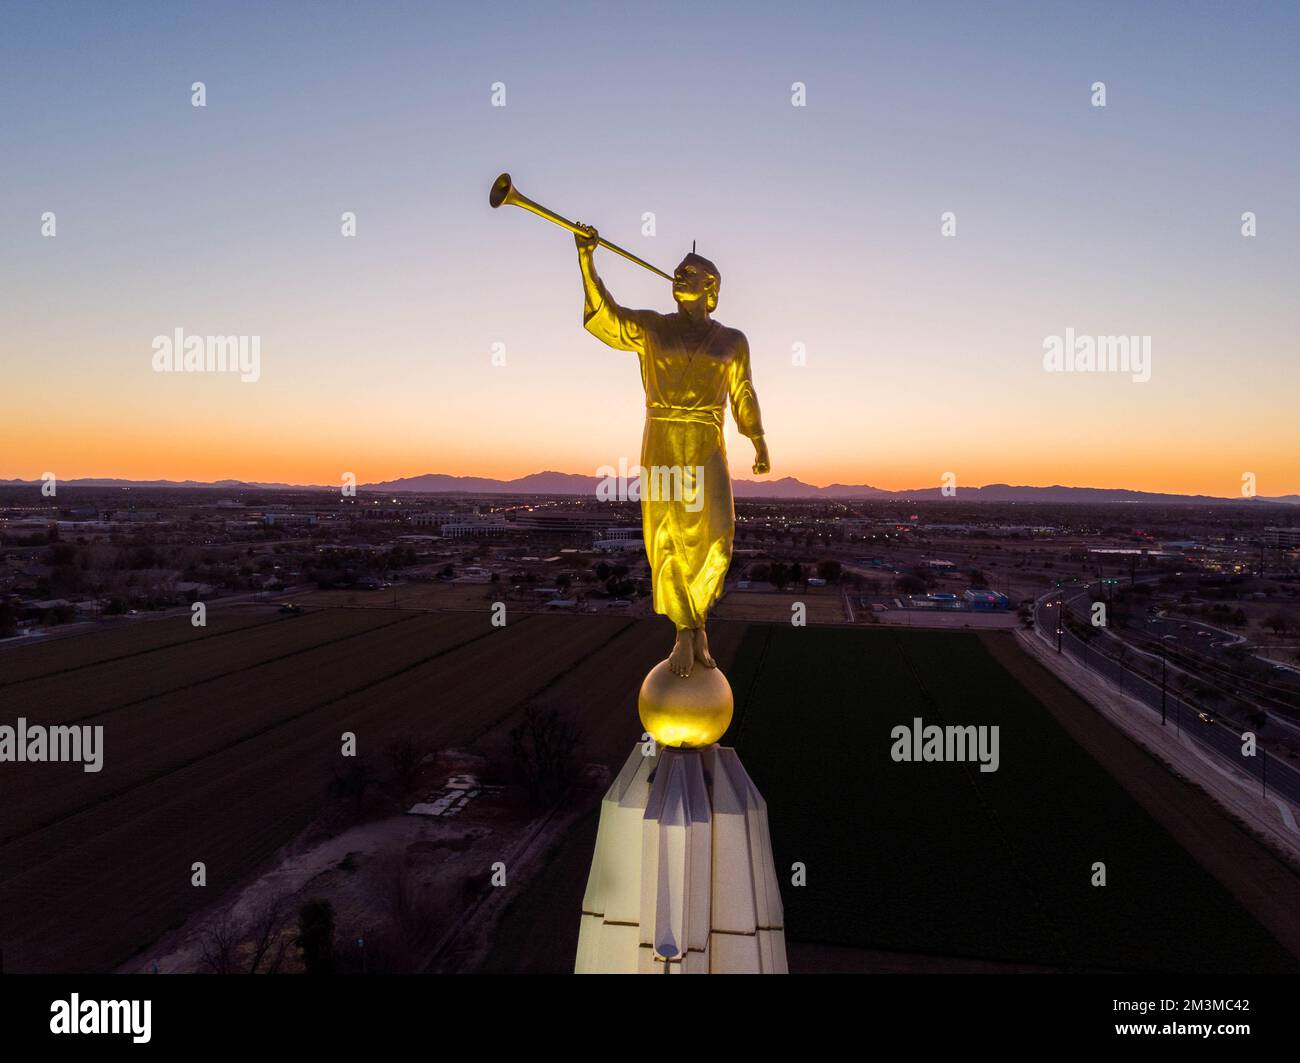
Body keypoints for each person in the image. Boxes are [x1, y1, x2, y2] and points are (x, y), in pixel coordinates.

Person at [576, 224, 770, 677]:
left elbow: (743, 391)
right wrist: (587, 261)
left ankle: (697, 616)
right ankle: (687, 629)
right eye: (677, 273)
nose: (678, 277)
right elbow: (608, 319)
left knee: (717, 536)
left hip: (708, 442)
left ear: (712, 288)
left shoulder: (732, 340)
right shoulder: (652, 328)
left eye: (690, 272)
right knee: (667, 535)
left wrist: (757, 437)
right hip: (663, 438)